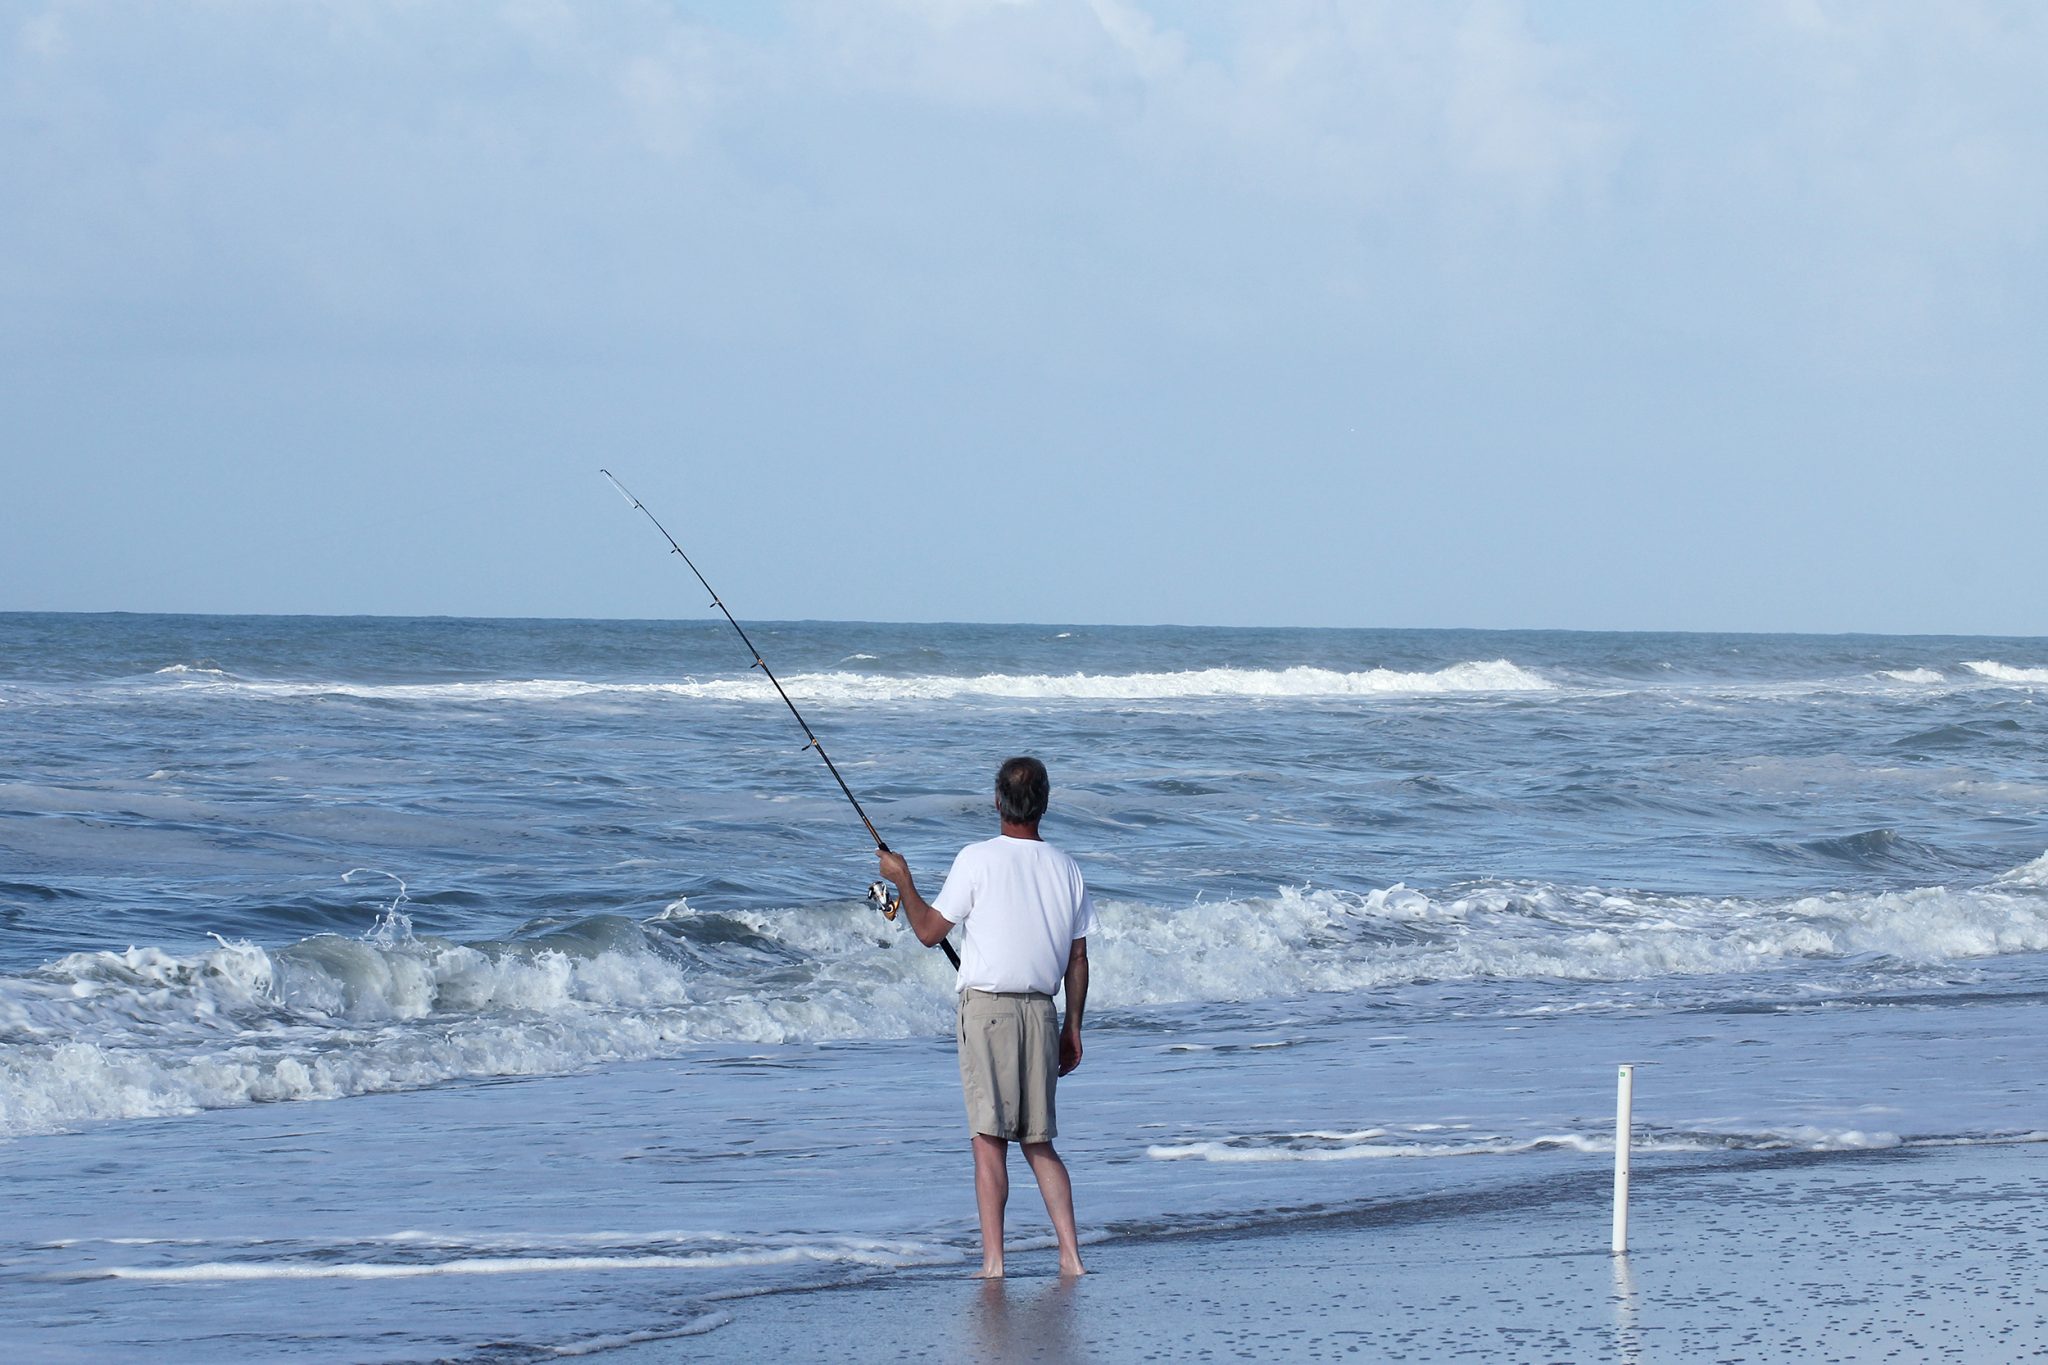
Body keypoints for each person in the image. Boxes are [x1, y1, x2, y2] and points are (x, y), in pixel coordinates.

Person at [878, 755, 1094, 1279]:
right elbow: (1078, 959)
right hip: (1043, 1013)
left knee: (988, 1140)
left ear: (997, 800)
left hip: (988, 1014)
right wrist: (1072, 1028)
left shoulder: (976, 859)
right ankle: (1071, 1256)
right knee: (1039, 1141)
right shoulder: (1067, 867)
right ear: (1043, 803)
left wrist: (901, 878)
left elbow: (929, 931)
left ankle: (994, 1264)